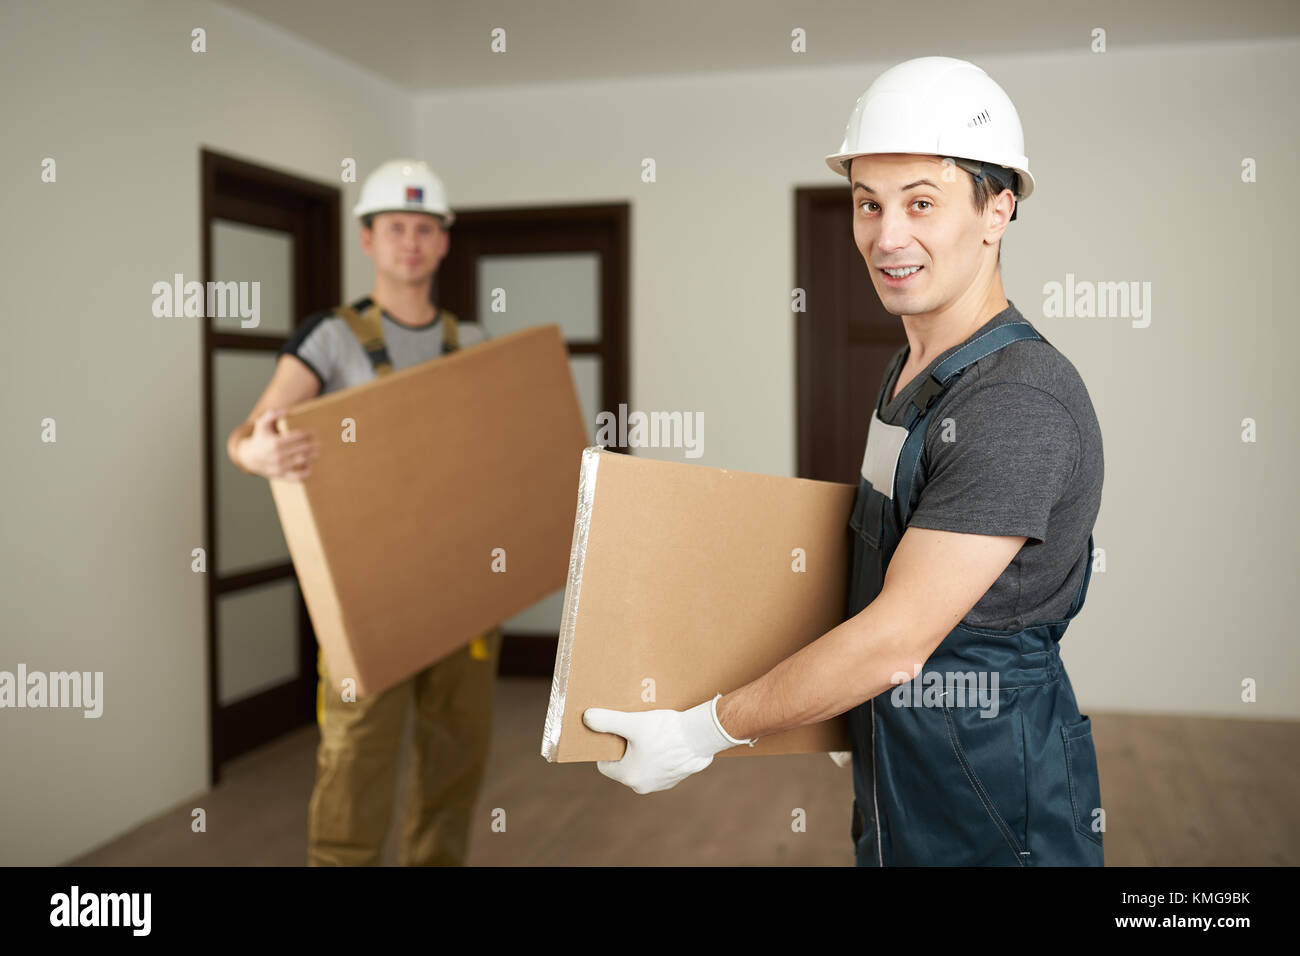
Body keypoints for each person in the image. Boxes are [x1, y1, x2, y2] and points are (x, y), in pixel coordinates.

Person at [583, 57, 1106, 867]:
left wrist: (698, 732)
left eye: (921, 203)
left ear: (997, 210)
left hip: (994, 796)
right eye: (868, 204)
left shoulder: (1016, 402)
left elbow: (897, 639)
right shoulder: (908, 378)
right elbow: (875, 569)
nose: (886, 235)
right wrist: (840, 711)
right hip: (899, 764)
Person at [226, 159, 502, 866]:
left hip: (463, 590)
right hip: (366, 594)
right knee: (356, 763)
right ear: (368, 240)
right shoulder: (332, 337)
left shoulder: (469, 342)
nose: (410, 242)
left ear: (443, 242)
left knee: (454, 763)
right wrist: (258, 455)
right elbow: (250, 435)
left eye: (424, 229)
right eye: (395, 228)